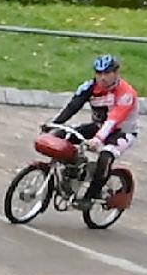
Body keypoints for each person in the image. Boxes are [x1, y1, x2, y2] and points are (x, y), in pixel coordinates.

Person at [49, 55, 141, 204]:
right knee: (60, 136)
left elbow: (114, 119)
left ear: (116, 73)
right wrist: (54, 124)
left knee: (105, 156)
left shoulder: (126, 94)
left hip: (121, 132)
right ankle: (73, 170)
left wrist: (98, 139)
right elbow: (72, 107)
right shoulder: (89, 87)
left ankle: (91, 195)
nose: (102, 78)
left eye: (107, 73)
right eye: (99, 73)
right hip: (98, 126)